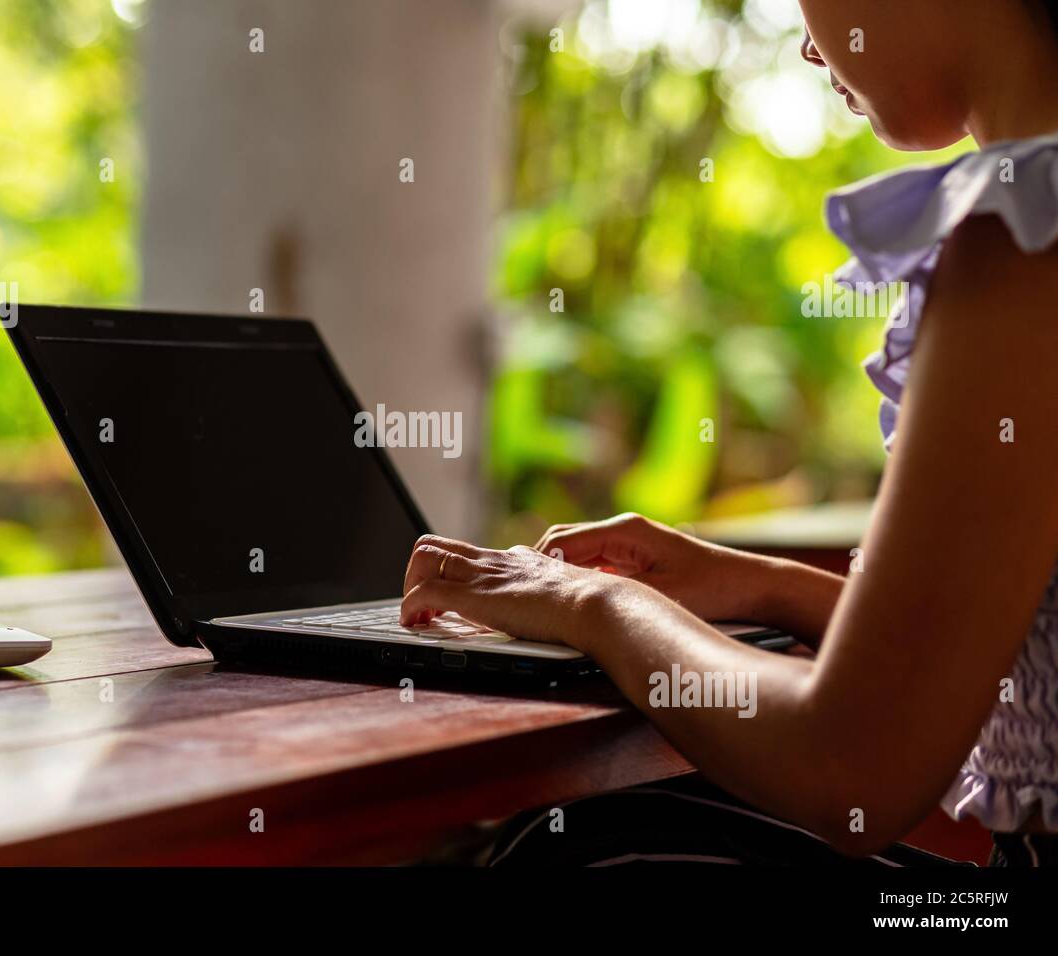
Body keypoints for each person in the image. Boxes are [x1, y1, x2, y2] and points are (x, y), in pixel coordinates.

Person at [400, 0, 1058, 866]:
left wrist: (589, 604)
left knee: (590, 853)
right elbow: (980, 658)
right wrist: (766, 586)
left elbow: (849, 763)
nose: (808, 39)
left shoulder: (1023, 234)